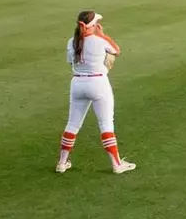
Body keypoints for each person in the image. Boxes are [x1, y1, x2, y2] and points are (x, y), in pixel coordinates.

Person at [57, 10, 136, 174]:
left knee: (72, 124)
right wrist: (102, 35)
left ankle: (62, 163)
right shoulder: (99, 41)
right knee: (106, 124)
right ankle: (117, 164)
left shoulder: (72, 41)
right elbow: (116, 50)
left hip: (77, 83)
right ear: (92, 26)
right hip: (98, 83)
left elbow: (70, 61)